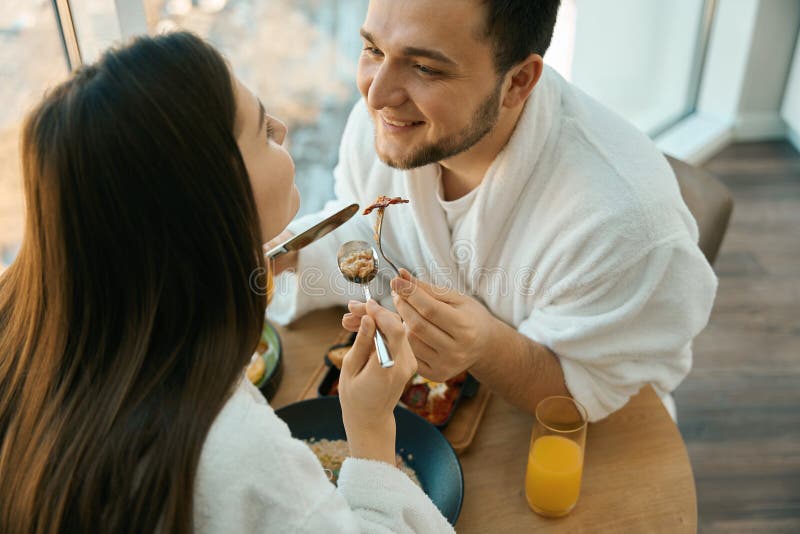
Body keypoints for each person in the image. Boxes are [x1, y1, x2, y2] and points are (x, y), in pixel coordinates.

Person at [0, 32, 453, 533]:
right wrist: (370, 428)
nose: (281, 129)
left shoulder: (33, 318)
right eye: (261, 131)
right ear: (212, 194)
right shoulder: (233, 453)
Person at [268, 0, 718, 422]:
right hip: (436, 416)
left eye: (424, 67)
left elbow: (588, 389)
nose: (377, 94)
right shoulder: (390, 128)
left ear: (518, 82)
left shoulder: (620, 223)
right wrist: (294, 255)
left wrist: (485, 347)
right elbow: (373, 235)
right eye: (373, 49)